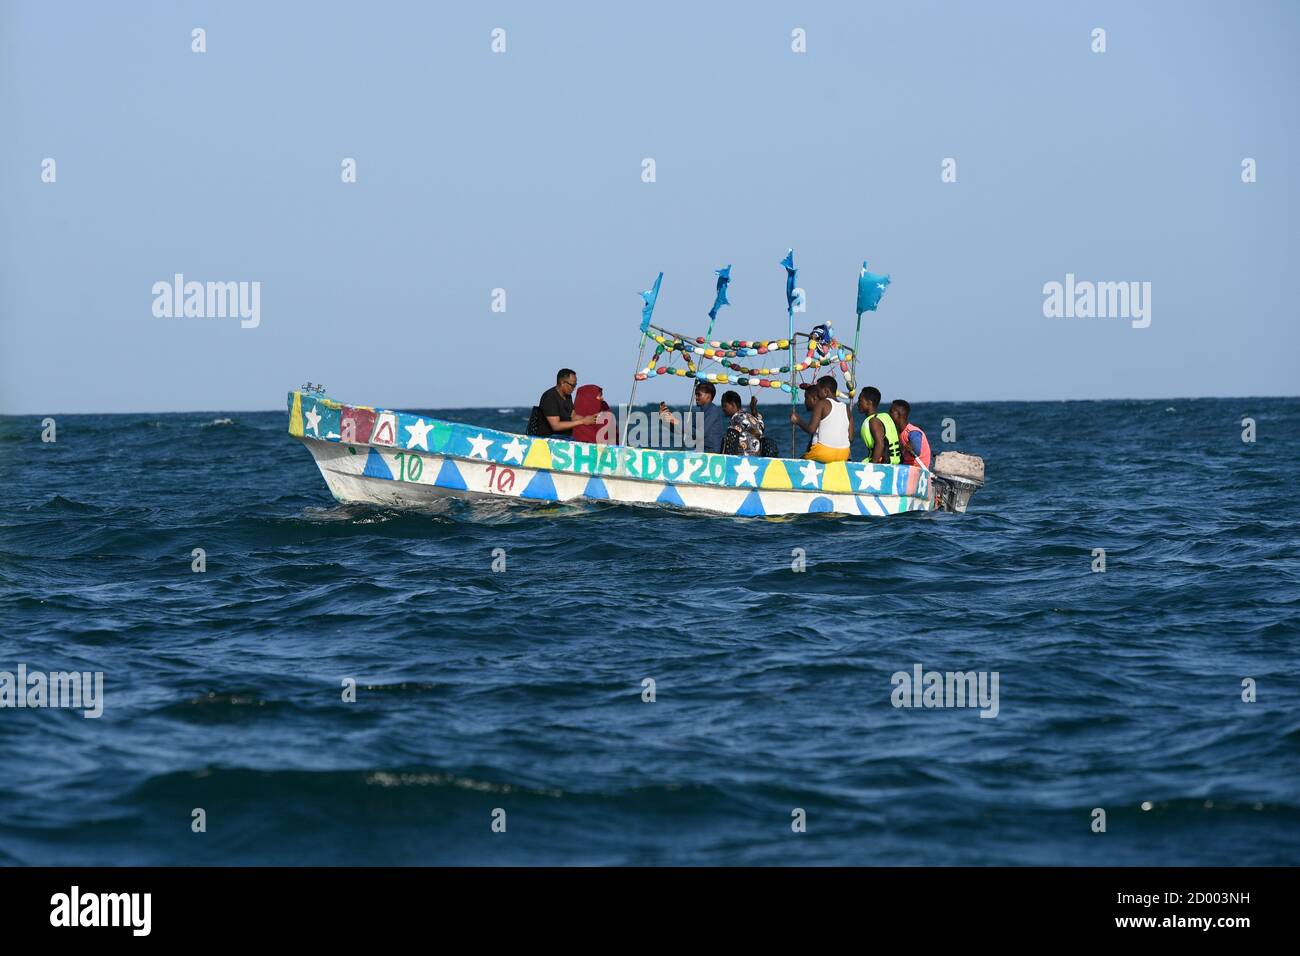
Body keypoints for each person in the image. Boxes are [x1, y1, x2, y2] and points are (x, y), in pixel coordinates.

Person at [791, 380, 851, 462]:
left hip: (824, 452)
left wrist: (797, 420)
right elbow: (850, 438)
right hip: (844, 454)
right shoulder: (846, 408)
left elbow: (811, 429)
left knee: (798, 463)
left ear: (815, 399)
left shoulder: (821, 404)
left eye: (806, 398)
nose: (805, 401)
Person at [659, 381, 727, 453]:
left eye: (699, 395)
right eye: (695, 395)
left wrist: (675, 421)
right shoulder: (701, 413)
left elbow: (700, 433)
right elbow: (683, 432)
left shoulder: (713, 411)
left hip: (710, 453)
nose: (696, 397)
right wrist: (665, 420)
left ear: (708, 396)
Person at [533, 368, 596, 437]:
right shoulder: (549, 397)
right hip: (548, 438)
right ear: (562, 383)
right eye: (572, 385)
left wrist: (591, 419)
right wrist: (582, 421)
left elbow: (573, 417)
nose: (574, 389)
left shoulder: (568, 396)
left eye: (575, 385)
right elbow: (556, 426)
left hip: (564, 437)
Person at [856, 386, 901, 464]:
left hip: (885, 464)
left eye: (860, 400)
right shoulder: (885, 417)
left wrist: (872, 466)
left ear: (869, 403)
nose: (858, 403)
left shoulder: (873, 421)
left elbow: (880, 445)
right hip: (896, 462)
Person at [889, 399, 932, 469]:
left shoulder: (913, 431)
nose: (888, 415)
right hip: (906, 466)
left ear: (899, 414)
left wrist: (912, 447)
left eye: (891, 412)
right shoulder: (898, 431)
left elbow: (916, 450)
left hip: (918, 469)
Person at [721, 390, 764, 456]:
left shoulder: (737, 418)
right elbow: (761, 428)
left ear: (733, 404)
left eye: (725, 406)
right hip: (756, 457)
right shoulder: (750, 417)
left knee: (731, 432)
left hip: (741, 458)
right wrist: (753, 409)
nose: (723, 409)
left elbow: (731, 438)